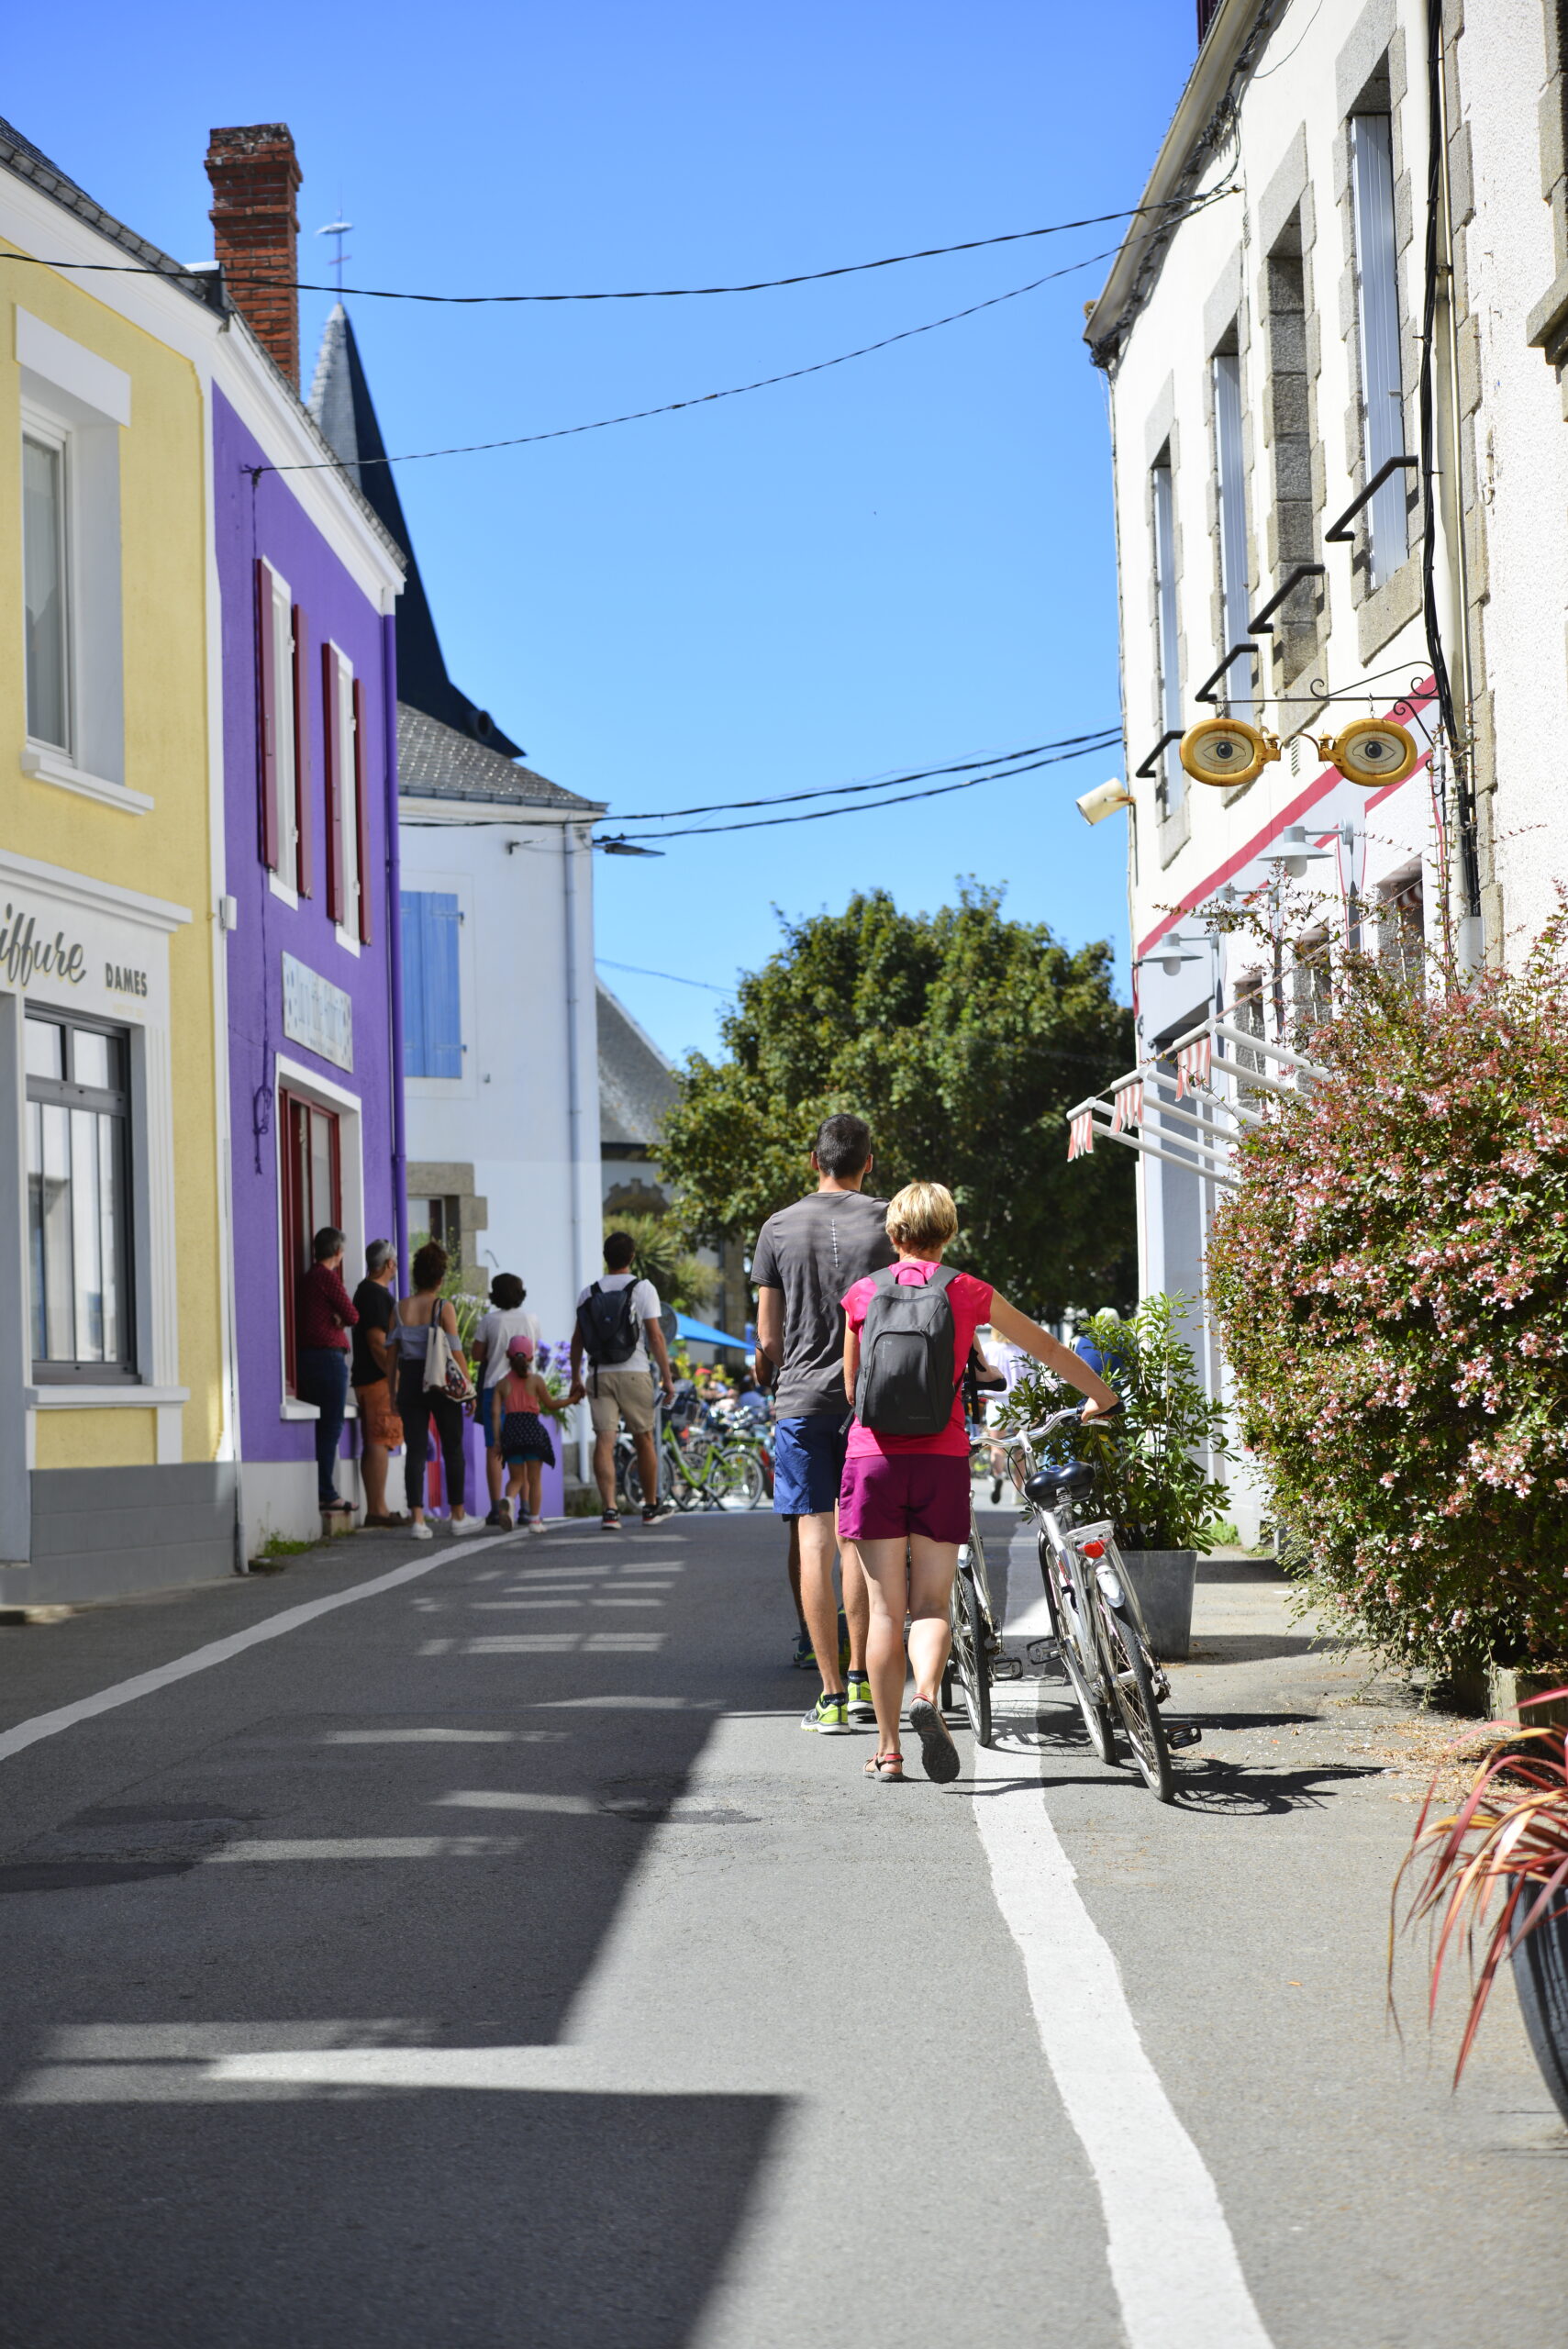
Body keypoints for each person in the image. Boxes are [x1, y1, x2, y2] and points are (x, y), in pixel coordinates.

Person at [840, 1180, 1118, 1786]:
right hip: (940, 1458)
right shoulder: (967, 1292)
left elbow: (851, 1389)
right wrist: (1100, 1395)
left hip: (872, 1460)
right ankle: (930, 1698)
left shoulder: (861, 1294)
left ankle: (887, 1751)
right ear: (948, 1233)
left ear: (892, 1235)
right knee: (933, 1605)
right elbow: (1043, 1345)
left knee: (886, 1611)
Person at [751, 1112, 896, 1737]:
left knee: (813, 1539)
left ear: (814, 1161)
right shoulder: (891, 1220)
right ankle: (866, 1683)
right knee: (859, 1543)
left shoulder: (777, 1227)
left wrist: (782, 1370)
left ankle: (831, 1696)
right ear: (868, 1161)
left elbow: (766, 1336)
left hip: (802, 1401)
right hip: (873, 1400)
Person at [569, 1232, 677, 1530]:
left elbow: (577, 1340)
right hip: (635, 1372)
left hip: (599, 1373)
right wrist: (667, 1379)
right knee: (643, 1438)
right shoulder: (643, 1289)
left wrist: (575, 1377)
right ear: (632, 1257)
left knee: (604, 1440)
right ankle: (651, 1507)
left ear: (606, 1257)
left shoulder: (588, 1292)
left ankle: (610, 1511)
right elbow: (655, 1336)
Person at [395, 1240, 482, 1540]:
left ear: (416, 1275)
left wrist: (396, 1391)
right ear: (440, 1278)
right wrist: (468, 1389)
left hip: (409, 1379)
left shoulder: (400, 1308)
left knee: (415, 1450)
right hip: (439, 1380)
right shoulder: (443, 1307)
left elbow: (394, 1355)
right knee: (453, 1446)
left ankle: (418, 1520)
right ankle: (458, 1515)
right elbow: (456, 1352)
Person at [472, 1273, 543, 1526]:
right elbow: (533, 1351)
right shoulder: (530, 1319)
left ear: (494, 1294)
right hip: (525, 1389)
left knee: (494, 1448)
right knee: (523, 1447)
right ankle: (524, 1508)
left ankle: (495, 1507)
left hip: (495, 1388)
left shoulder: (489, 1320)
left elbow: (478, 1354)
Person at [296, 1226, 359, 1517]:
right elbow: (352, 1315)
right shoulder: (327, 1277)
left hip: (307, 1358)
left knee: (322, 1427)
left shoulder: (309, 1278)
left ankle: (324, 1490)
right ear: (337, 1252)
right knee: (331, 1426)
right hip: (329, 1358)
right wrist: (340, 1318)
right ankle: (327, 1492)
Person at [351, 1239, 407, 1529]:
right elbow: (376, 1342)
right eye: (395, 1262)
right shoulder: (374, 1295)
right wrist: (393, 1378)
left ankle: (378, 1507)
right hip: (378, 1381)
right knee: (379, 1439)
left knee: (378, 1440)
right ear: (389, 1264)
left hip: (373, 1379)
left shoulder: (368, 1293)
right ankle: (378, 1510)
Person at [495, 1334, 573, 1529]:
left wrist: (498, 1441)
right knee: (534, 1479)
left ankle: (510, 1501)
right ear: (531, 1358)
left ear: (507, 1356)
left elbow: (495, 1414)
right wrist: (573, 1399)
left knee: (516, 1479)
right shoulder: (536, 1381)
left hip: (512, 1433)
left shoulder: (502, 1384)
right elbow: (551, 1404)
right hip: (531, 1432)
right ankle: (535, 1520)